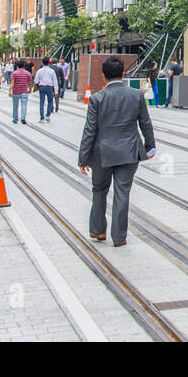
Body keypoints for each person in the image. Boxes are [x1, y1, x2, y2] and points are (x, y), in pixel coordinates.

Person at [78, 56, 157, 247]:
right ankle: (119, 237)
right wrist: (150, 147)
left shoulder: (97, 98)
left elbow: (90, 130)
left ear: (103, 75)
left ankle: (97, 231)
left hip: (101, 153)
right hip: (129, 152)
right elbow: (145, 123)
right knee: (123, 193)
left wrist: (83, 158)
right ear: (123, 73)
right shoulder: (136, 95)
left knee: (99, 190)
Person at [34, 57, 59, 123]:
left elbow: (36, 81)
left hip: (42, 87)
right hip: (49, 87)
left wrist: (39, 84)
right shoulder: (52, 71)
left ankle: (42, 118)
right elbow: (55, 81)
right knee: (50, 102)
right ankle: (47, 115)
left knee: (41, 102)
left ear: (42, 62)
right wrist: (56, 91)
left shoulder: (39, 71)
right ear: (49, 63)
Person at [9, 59, 33, 124]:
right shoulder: (28, 73)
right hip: (24, 92)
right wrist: (30, 89)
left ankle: (15, 119)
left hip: (15, 92)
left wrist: (10, 91)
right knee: (24, 105)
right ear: (24, 65)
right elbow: (30, 82)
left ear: (17, 66)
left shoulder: (14, 73)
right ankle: (23, 117)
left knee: (15, 106)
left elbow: (12, 83)